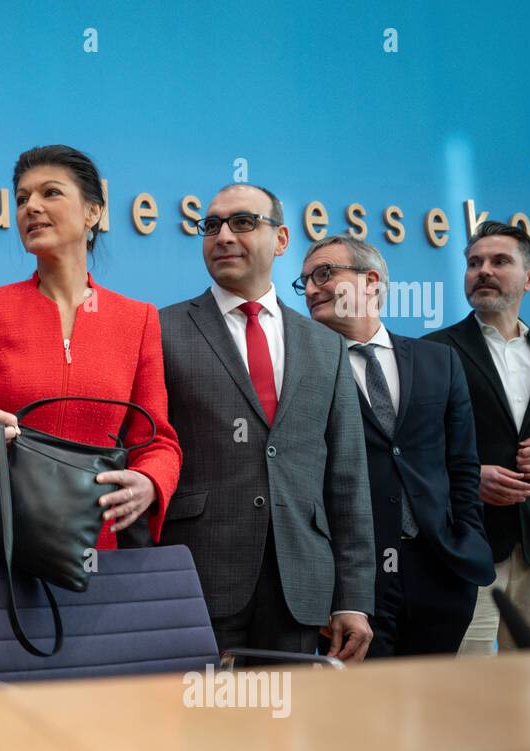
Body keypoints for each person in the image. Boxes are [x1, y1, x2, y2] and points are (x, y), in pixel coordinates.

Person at [0, 145, 182, 683]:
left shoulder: (138, 321)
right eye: (21, 198)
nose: (30, 207)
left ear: (92, 212)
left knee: (82, 741)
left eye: (49, 193)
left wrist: (150, 483)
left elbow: (159, 441)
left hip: (91, 564)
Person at [158, 184, 374, 660]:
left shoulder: (325, 345)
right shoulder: (160, 330)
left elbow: (348, 479)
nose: (223, 236)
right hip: (196, 578)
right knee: (196, 729)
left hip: (300, 586)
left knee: (284, 729)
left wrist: (353, 599)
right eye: (211, 225)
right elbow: (146, 452)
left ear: (280, 240)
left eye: (243, 222)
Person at [300, 235, 494, 656]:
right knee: (366, 714)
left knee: (436, 709)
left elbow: (462, 464)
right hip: (355, 583)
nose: (312, 289)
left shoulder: (437, 360)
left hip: (442, 571)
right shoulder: (302, 371)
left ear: (370, 281)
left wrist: (467, 540)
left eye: (324, 274)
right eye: (305, 282)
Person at [425, 221, 530, 653]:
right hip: (464, 548)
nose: (483, 271)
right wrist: (468, 477)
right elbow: (408, 448)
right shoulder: (432, 352)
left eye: (500, 261)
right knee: (465, 695)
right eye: (474, 263)